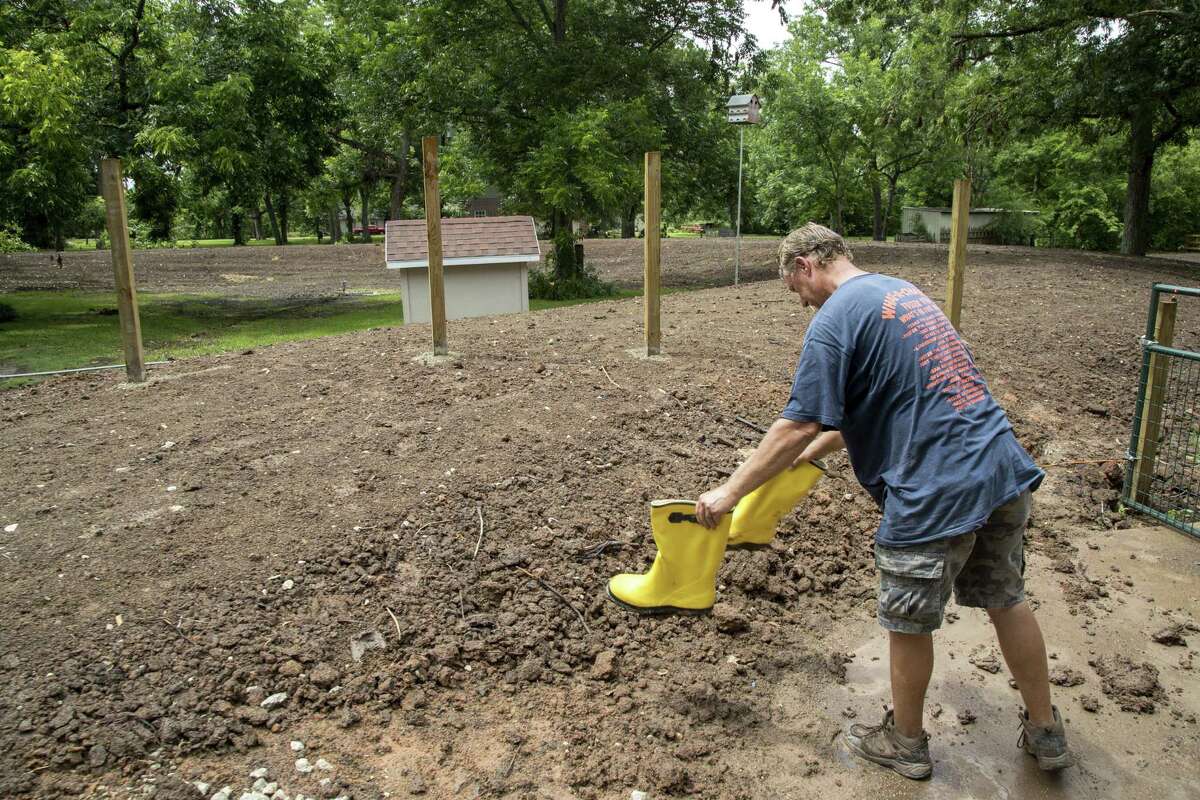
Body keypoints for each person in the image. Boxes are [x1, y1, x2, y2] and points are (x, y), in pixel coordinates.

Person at [694, 222, 1073, 780]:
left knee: (908, 622)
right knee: (1006, 598)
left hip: (935, 486)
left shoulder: (835, 318)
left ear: (805, 266)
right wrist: (809, 455)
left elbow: (797, 422)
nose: (801, 305)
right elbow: (877, 401)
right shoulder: (900, 293)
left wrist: (729, 492)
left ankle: (906, 741)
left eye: (795, 291)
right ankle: (1047, 732)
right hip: (997, 465)